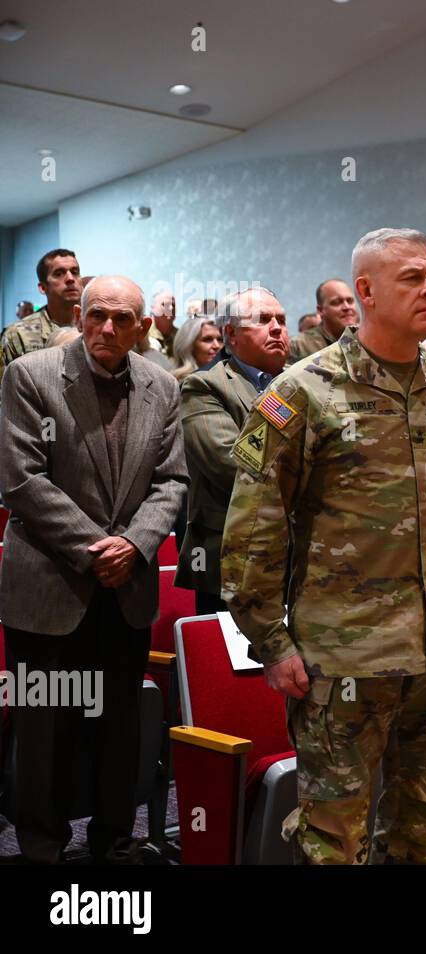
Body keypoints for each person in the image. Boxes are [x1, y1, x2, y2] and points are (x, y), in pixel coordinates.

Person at [221, 228, 426, 864]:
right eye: (411, 278)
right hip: (345, 655)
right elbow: (252, 528)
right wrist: (269, 638)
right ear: (366, 291)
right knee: (334, 834)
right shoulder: (301, 392)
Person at [0, 275, 186, 864]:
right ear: (80, 317)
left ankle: (114, 843)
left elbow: (172, 480)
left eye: (123, 318)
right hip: (50, 584)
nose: (109, 328)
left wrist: (133, 545)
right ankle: (42, 850)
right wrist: (97, 548)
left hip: (125, 588)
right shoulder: (31, 375)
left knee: (118, 730)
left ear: (143, 326)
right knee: (44, 731)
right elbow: (21, 480)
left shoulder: (160, 385)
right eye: (98, 315)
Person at [176, 288, 289, 614]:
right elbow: (234, 465)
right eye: (263, 320)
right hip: (234, 559)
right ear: (231, 334)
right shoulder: (205, 385)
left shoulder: (306, 379)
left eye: (281, 320)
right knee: (232, 665)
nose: (277, 328)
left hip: (304, 561)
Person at [1, 248, 81, 386]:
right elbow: (5, 391)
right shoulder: (18, 334)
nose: (70, 279)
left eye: (75, 272)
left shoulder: (95, 327)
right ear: (43, 287)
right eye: (59, 273)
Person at [288, 278, 357, 361]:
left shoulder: (366, 340)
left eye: (350, 301)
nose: (347, 307)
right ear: (320, 310)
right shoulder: (299, 345)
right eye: (336, 302)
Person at [170, 316, 224, 381]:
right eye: (207, 339)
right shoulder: (176, 383)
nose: (216, 346)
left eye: (220, 339)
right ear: (189, 346)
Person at [147, 292, 178, 364]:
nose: (170, 308)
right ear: (153, 308)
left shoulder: (182, 337)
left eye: (173, 305)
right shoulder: (142, 334)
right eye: (165, 304)